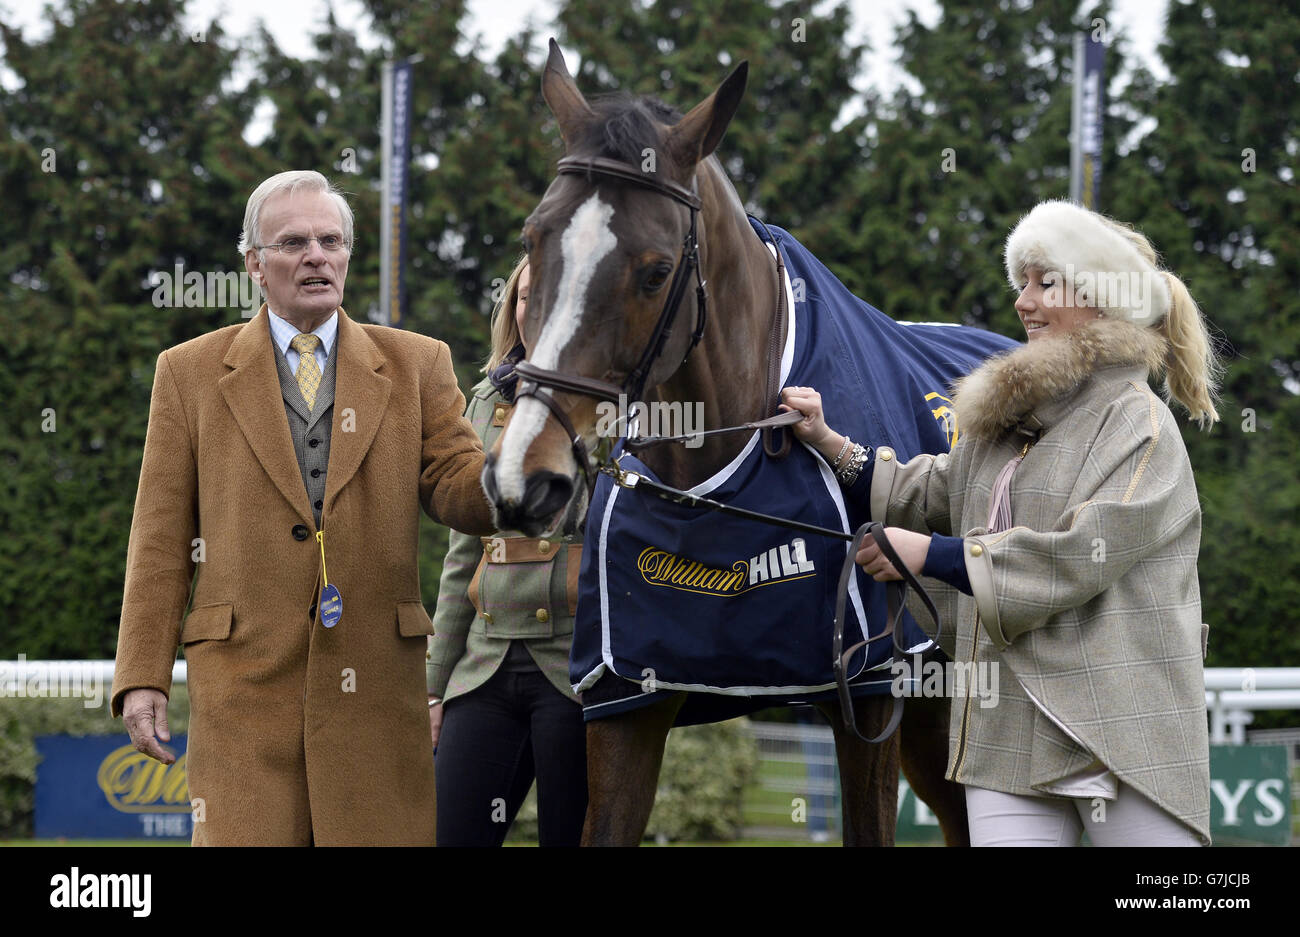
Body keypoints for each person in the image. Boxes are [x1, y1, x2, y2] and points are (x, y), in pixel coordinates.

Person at [781, 200, 1218, 846]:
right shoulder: (1001, 422)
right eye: (1022, 283)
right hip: (1003, 726)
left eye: (1046, 281)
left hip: (1123, 728)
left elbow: (1076, 555)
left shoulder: (1141, 423)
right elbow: (928, 490)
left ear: (1099, 296)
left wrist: (933, 555)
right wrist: (829, 442)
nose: (1024, 301)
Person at [110, 170, 496, 845]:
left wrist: (516, 481)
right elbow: (160, 539)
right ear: (254, 265)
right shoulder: (188, 372)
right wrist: (142, 675)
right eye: (293, 242)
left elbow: (459, 485)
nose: (317, 255)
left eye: (331, 240)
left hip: (377, 689)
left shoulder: (419, 363)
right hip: (242, 689)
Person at [427, 257, 589, 846]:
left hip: (575, 665)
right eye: (523, 298)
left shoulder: (614, 402)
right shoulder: (483, 399)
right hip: (484, 662)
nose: (532, 311)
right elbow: (462, 555)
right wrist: (434, 685)